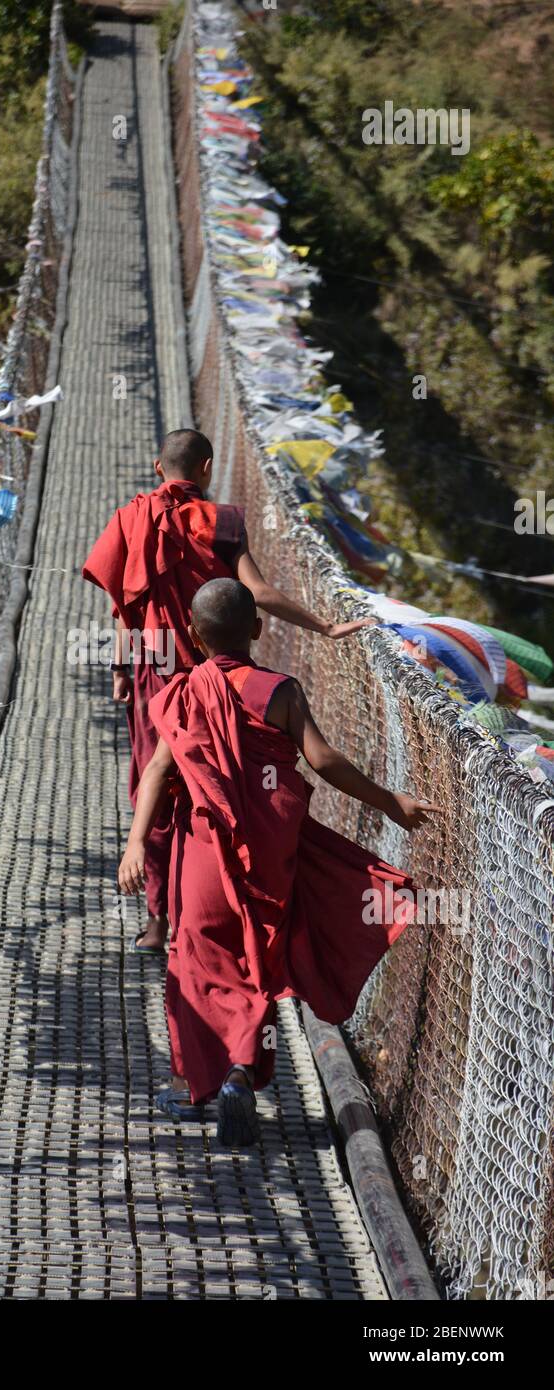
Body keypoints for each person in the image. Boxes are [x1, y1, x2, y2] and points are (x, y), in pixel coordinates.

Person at [117, 578, 440, 1147]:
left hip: (203, 849)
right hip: (272, 855)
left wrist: (136, 843)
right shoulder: (281, 691)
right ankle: (241, 1072)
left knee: (195, 962)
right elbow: (324, 761)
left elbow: (157, 772)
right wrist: (391, 802)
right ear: (258, 629)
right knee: (257, 961)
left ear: (192, 633)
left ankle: (191, 1085)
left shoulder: (184, 693)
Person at [83, 428, 373, 955]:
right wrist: (326, 628)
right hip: (221, 674)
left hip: (157, 673)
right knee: (225, 786)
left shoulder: (132, 517)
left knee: (157, 781)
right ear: (208, 468)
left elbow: (129, 603)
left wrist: (120, 670)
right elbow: (259, 593)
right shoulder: (224, 522)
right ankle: (234, 907)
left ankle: (157, 919)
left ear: (157, 468)